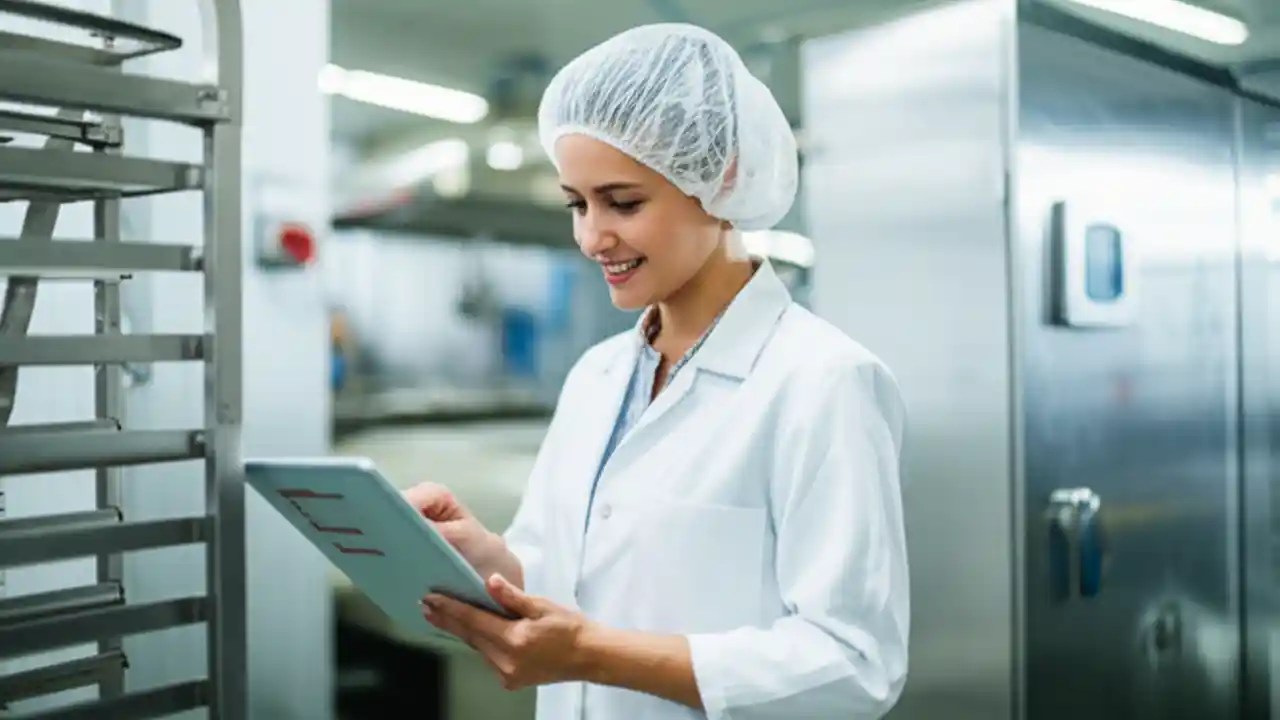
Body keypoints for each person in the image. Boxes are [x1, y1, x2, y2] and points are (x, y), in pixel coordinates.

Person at [404, 22, 909, 720]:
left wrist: (594, 655)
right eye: (577, 204)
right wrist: (489, 559)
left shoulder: (822, 382)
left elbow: (855, 663)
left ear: (722, 178)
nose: (589, 237)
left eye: (623, 202)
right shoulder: (597, 376)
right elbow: (569, 576)